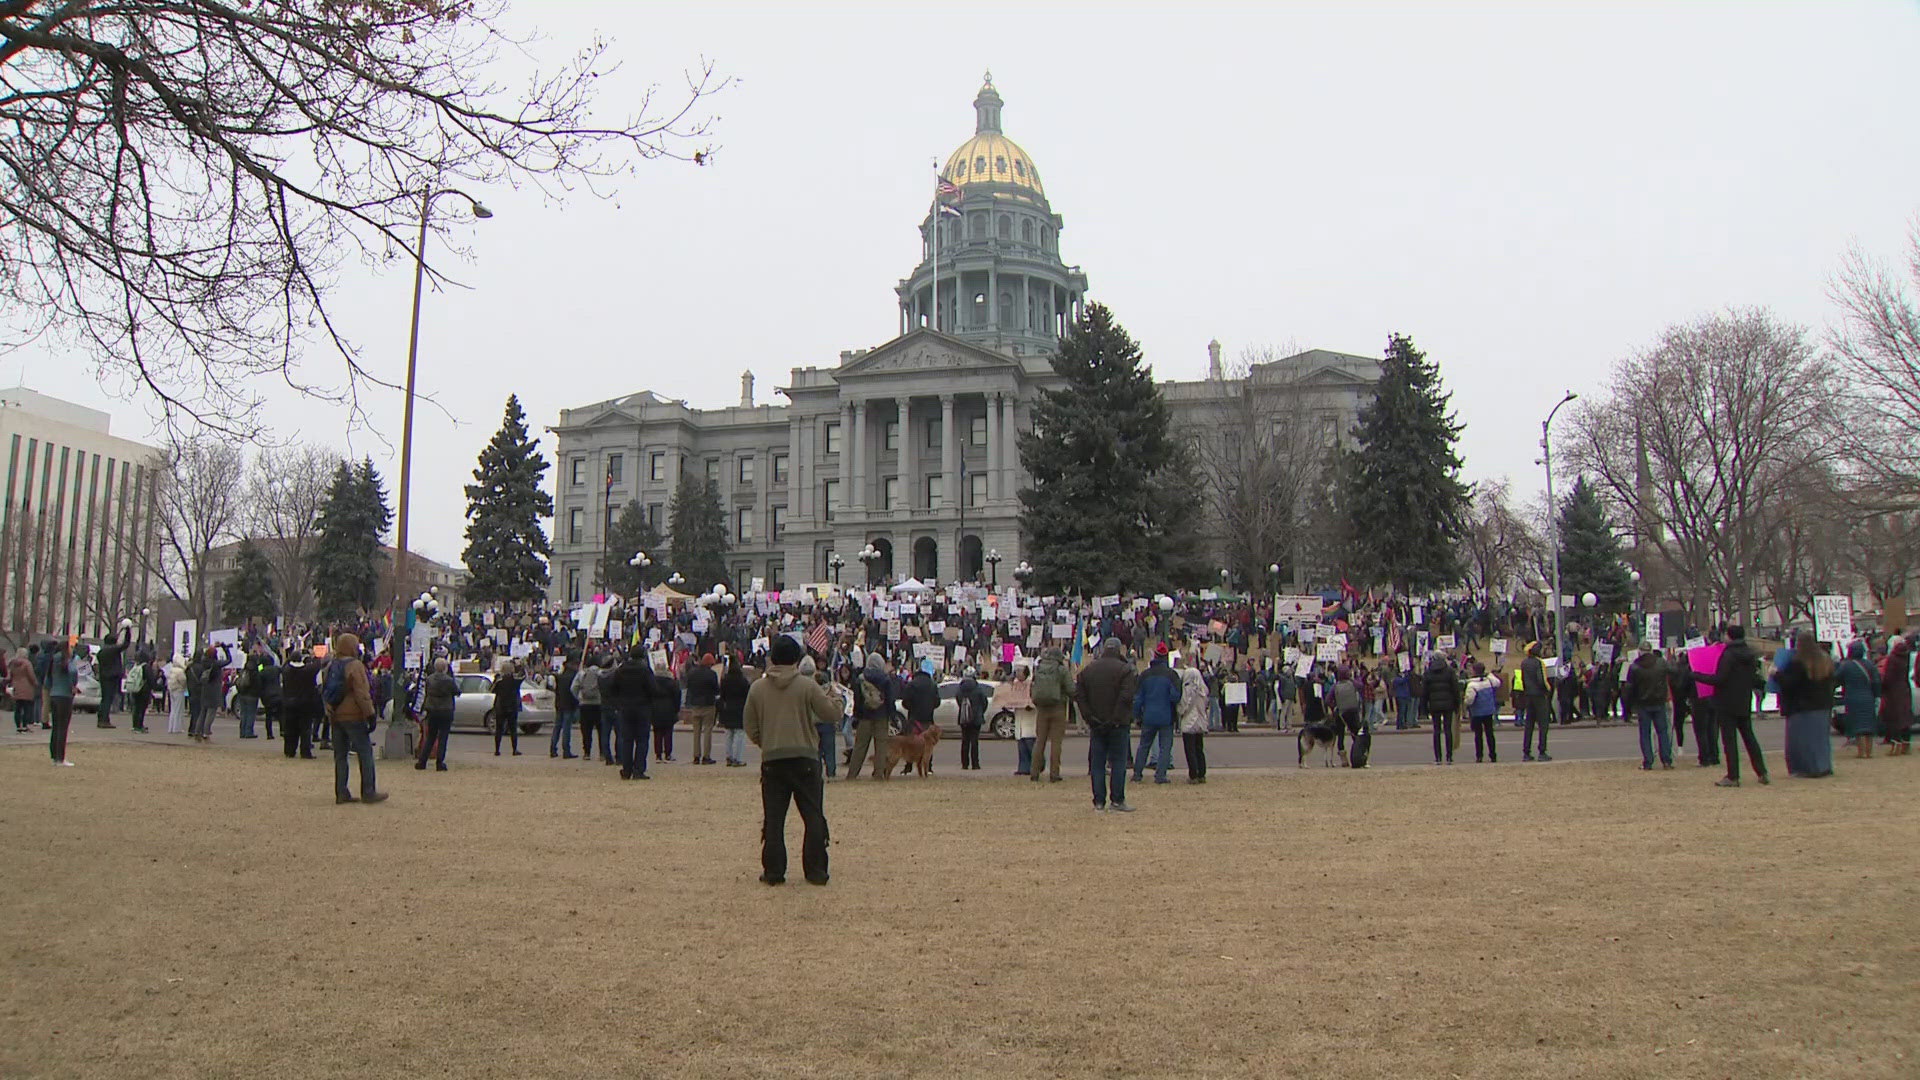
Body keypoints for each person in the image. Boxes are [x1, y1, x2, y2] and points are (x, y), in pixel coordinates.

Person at [744, 634, 840, 886]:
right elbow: (830, 714)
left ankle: (774, 871)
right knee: (813, 816)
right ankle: (816, 870)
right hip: (805, 758)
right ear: (797, 658)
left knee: (774, 819)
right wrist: (837, 696)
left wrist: (768, 742)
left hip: (774, 760)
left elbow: (750, 727)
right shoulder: (807, 686)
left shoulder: (757, 688)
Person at [1693, 625, 1768, 787]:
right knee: (1749, 738)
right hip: (1744, 701)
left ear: (1730, 636)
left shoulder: (1728, 655)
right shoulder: (1750, 654)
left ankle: (1733, 776)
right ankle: (1762, 771)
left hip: (1726, 702)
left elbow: (1720, 679)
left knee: (1730, 741)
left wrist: (1697, 676)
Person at [323, 633, 387, 804]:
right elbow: (361, 693)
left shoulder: (331, 665)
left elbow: (325, 690)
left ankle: (341, 792)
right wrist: (370, 714)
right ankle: (368, 791)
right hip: (354, 715)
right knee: (365, 753)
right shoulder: (355, 666)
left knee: (340, 756)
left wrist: (329, 710)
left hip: (336, 715)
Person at [1075, 639, 1137, 812]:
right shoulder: (1125, 670)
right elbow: (1126, 697)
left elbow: (1080, 696)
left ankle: (1099, 802)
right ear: (1119, 650)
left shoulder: (1089, 670)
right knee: (1118, 762)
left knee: (1097, 764)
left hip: (1096, 724)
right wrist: (1115, 719)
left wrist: (1090, 718)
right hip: (1118, 724)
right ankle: (1117, 800)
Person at [1774, 631, 1839, 779]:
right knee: (1820, 740)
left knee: (1802, 741)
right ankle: (1823, 766)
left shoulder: (1798, 662)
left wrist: (1776, 674)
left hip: (1802, 707)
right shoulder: (1825, 660)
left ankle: (1806, 768)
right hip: (1823, 705)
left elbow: (1789, 683)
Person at [1132, 643, 1182, 785]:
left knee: (1144, 745)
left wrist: (1136, 715)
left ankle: (1137, 774)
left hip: (1148, 715)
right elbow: (1175, 697)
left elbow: (1138, 698)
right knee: (1165, 747)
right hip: (1166, 716)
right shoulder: (1172, 675)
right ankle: (1160, 775)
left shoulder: (1145, 675)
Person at [603, 647, 655, 780]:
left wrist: (617, 703)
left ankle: (626, 770)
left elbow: (611, 687)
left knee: (627, 740)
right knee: (642, 740)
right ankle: (638, 770)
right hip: (642, 708)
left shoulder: (621, 670)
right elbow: (653, 689)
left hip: (625, 708)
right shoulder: (645, 670)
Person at [1623, 642, 1674, 770]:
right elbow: (1674, 672)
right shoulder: (1661, 663)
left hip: (1643, 703)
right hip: (1659, 701)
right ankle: (1666, 760)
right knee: (1663, 732)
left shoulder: (1635, 667)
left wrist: (1628, 707)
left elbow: (1630, 688)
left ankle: (1648, 761)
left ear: (1640, 651)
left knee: (1645, 733)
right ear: (1650, 650)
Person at [846, 654, 894, 781]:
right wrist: (892, 715)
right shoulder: (886, 679)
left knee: (860, 746)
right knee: (881, 747)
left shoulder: (860, 678)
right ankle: (878, 774)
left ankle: (852, 774)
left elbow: (857, 699)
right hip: (881, 716)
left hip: (865, 716)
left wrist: (856, 716)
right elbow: (890, 699)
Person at [1028, 647, 1070, 782]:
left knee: (1040, 741)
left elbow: (1032, 688)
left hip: (1041, 709)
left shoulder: (1039, 668)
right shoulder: (1061, 670)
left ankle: (1034, 772)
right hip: (1057, 707)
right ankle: (1054, 773)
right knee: (1056, 743)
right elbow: (1071, 688)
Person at [1836, 640, 1880, 759]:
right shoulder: (1870, 665)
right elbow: (1876, 682)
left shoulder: (1846, 666)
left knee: (1858, 726)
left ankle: (1861, 752)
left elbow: (1836, 679)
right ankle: (1869, 752)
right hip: (1868, 696)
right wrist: (1876, 695)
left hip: (1852, 697)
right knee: (1868, 726)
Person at [413, 658, 458, 771]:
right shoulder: (449, 680)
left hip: (432, 710)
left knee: (430, 737)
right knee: (443, 737)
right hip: (446, 710)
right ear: (445, 668)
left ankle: (422, 761)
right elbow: (457, 691)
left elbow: (427, 692)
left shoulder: (429, 679)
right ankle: (440, 762)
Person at [281, 646, 321, 758]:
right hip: (305, 704)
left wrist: (287, 655)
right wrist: (313, 656)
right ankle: (305, 751)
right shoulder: (307, 671)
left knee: (290, 729)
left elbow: (284, 665)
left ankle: (289, 751)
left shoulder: (286, 671)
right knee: (305, 729)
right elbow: (317, 665)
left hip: (289, 703)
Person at [44, 638, 78, 766]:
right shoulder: (67, 660)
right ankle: (60, 758)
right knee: (63, 728)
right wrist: (73, 686)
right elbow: (73, 672)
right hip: (65, 695)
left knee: (56, 727)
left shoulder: (54, 659)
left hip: (54, 694)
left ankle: (54, 756)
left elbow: (48, 679)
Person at [1177, 652, 1211, 784]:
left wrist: (1179, 711)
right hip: (1200, 722)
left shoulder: (1189, 689)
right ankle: (1202, 773)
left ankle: (1193, 774)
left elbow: (1185, 705)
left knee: (1190, 750)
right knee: (1199, 749)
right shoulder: (1203, 690)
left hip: (1189, 721)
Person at [1421, 654, 1459, 765]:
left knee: (1436, 730)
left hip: (1434, 704)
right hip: (1448, 703)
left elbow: (1424, 692)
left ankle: (1438, 757)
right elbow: (1455, 689)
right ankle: (1449, 756)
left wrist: (1424, 707)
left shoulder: (1428, 672)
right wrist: (1457, 704)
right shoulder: (1449, 671)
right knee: (1448, 730)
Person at [684, 652, 721, 764]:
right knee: (707, 731)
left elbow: (688, 687)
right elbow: (716, 690)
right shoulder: (712, 674)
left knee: (696, 732)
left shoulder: (692, 673)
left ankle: (696, 756)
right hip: (708, 705)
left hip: (695, 705)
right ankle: (706, 756)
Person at [1879, 640, 1913, 756]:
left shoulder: (1892, 659)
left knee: (1894, 719)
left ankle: (1896, 745)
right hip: (1904, 688)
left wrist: (1882, 686)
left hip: (1893, 692)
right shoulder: (1906, 658)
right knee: (1905, 718)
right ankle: (1906, 745)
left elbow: (1888, 677)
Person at [1520, 644, 1553, 762]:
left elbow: (1523, 679)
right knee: (1543, 725)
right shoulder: (1539, 663)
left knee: (1529, 725)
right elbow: (1541, 680)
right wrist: (1548, 689)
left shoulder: (1524, 663)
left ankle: (1526, 752)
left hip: (1528, 695)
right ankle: (1542, 751)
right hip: (1539, 695)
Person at [572, 653, 608, 764]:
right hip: (599, 703)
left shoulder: (582, 673)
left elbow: (573, 687)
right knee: (601, 730)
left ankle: (587, 752)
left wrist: (579, 697)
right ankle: (602, 753)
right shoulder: (601, 673)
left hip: (585, 704)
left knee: (586, 730)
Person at [719, 652, 752, 767]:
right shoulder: (743, 681)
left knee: (728, 734)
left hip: (728, 707)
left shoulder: (725, 680)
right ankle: (737, 758)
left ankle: (729, 756)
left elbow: (721, 694)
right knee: (739, 734)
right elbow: (748, 694)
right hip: (740, 708)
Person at [953, 667, 989, 771]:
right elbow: (984, 702)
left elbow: (958, 700)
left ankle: (964, 764)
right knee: (974, 742)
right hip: (976, 717)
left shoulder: (960, 689)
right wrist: (980, 711)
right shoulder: (978, 688)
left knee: (965, 741)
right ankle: (975, 764)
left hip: (964, 717)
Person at [1464, 662, 1500, 763]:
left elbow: (1469, 700)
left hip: (1477, 713)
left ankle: (1479, 755)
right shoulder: (1489, 681)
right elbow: (1497, 683)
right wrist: (1489, 674)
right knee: (1490, 734)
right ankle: (1493, 754)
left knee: (1478, 735)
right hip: (1488, 711)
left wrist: (1465, 703)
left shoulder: (1472, 685)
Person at [94, 624, 130, 729]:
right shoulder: (113, 650)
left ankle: (102, 718)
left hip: (104, 676)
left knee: (105, 698)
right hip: (112, 677)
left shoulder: (101, 652)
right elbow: (125, 644)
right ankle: (104, 720)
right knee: (108, 699)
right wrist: (128, 631)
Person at [650, 660, 681, 764]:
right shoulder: (671, 681)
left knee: (657, 733)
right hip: (669, 708)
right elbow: (677, 695)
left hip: (655, 708)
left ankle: (658, 755)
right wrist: (677, 709)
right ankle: (668, 754)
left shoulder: (652, 681)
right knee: (668, 733)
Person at [551, 651, 580, 759]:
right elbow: (574, 691)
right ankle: (566, 750)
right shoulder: (573, 676)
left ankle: (553, 748)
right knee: (566, 729)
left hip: (560, 704)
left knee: (557, 727)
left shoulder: (561, 675)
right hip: (569, 704)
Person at [491, 662, 524, 756]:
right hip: (512, 706)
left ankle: (497, 750)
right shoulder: (515, 680)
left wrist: (496, 679)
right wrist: (520, 666)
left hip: (500, 706)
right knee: (513, 729)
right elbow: (523, 676)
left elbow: (492, 689)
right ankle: (514, 749)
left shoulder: (499, 680)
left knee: (499, 729)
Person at [9, 647, 38, 733]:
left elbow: (10, 675)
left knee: (18, 708)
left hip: (16, 686)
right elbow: (31, 675)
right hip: (27, 687)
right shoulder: (27, 663)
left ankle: (18, 726)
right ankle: (25, 726)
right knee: (26, 708)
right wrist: (35, 683)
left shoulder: (13, 663)